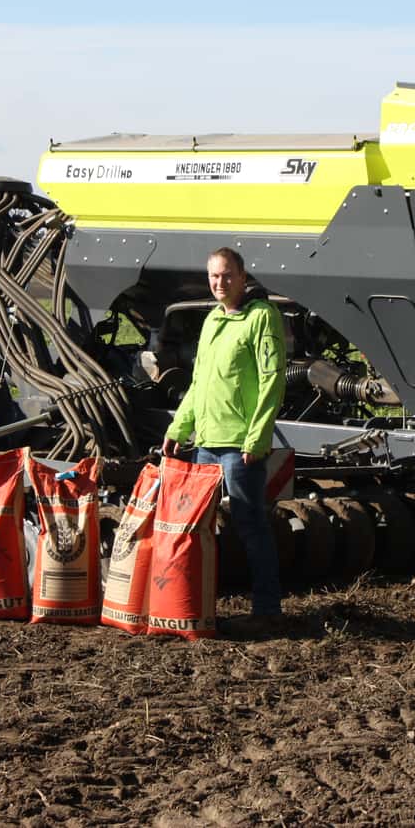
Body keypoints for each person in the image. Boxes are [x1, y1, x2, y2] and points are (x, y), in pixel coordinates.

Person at [161, 247, 287, 633]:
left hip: (240, 447)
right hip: (206, 443)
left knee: (250, 524)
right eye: (215, 277)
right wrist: (178, 429)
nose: (220, 283)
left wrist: (257, 438)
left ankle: (267, 608)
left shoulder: (262, 318)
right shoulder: (213, 320)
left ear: (243, 276)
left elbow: (272, 381)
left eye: (227, 275)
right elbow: (199, 384)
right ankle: (201, 603)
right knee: (201, 529)